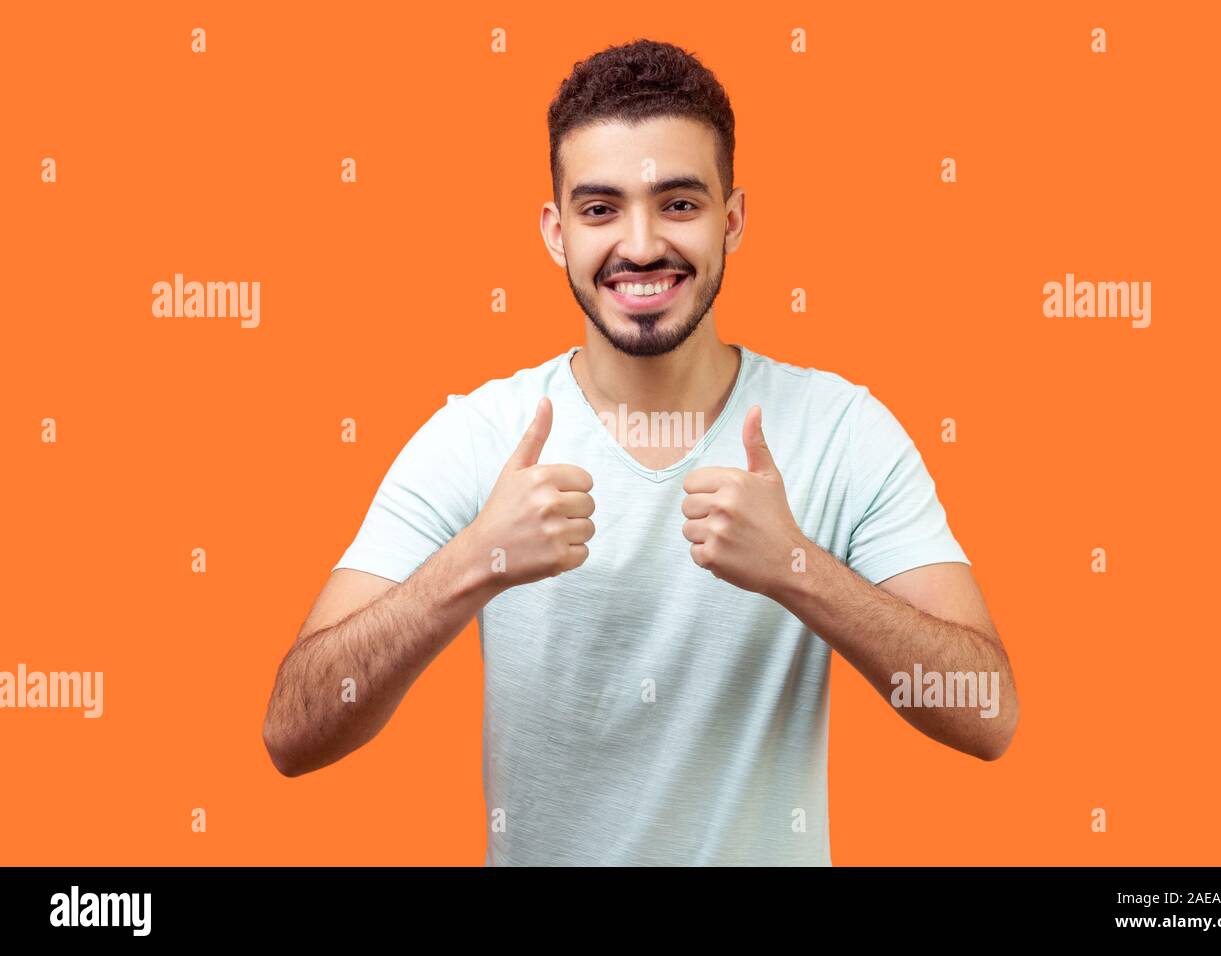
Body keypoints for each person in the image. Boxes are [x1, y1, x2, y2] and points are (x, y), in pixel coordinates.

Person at [262, 38, 1018, 866]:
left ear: (732, 219)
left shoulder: (842, 428)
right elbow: (293, 734)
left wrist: (798, 568)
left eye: (680, 204)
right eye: (600, 209)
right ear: (556, 232)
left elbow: (988, 716)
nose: (642, 244)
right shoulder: (478, 436)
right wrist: (474, 561)